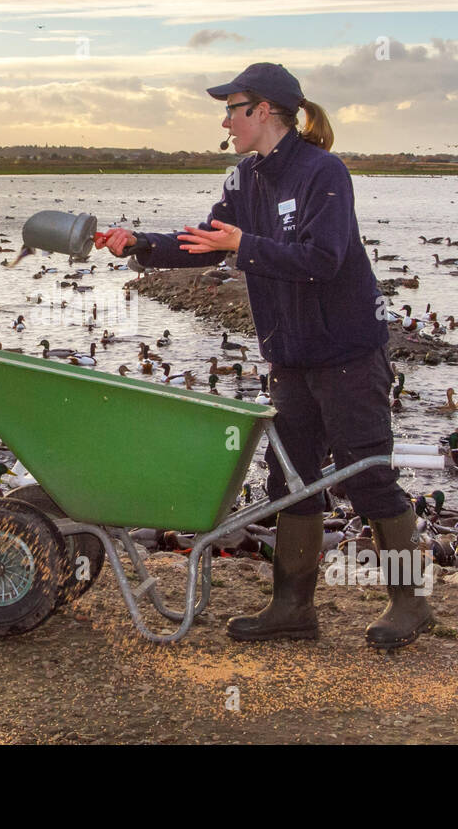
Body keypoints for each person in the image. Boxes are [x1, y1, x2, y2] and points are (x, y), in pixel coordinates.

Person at [94, 62, 433, 649]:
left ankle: (412, 603)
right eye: (225, 110)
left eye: (233, 108)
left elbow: (321, 258)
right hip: (290, 357)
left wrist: (244, 245)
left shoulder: (323, 172)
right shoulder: (243, 179)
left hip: (348, 353)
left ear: (266, 111)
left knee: (371, 477)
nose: (225, 121)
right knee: (290, 482)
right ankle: (292, 608)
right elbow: (206, 240)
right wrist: (141, 244)